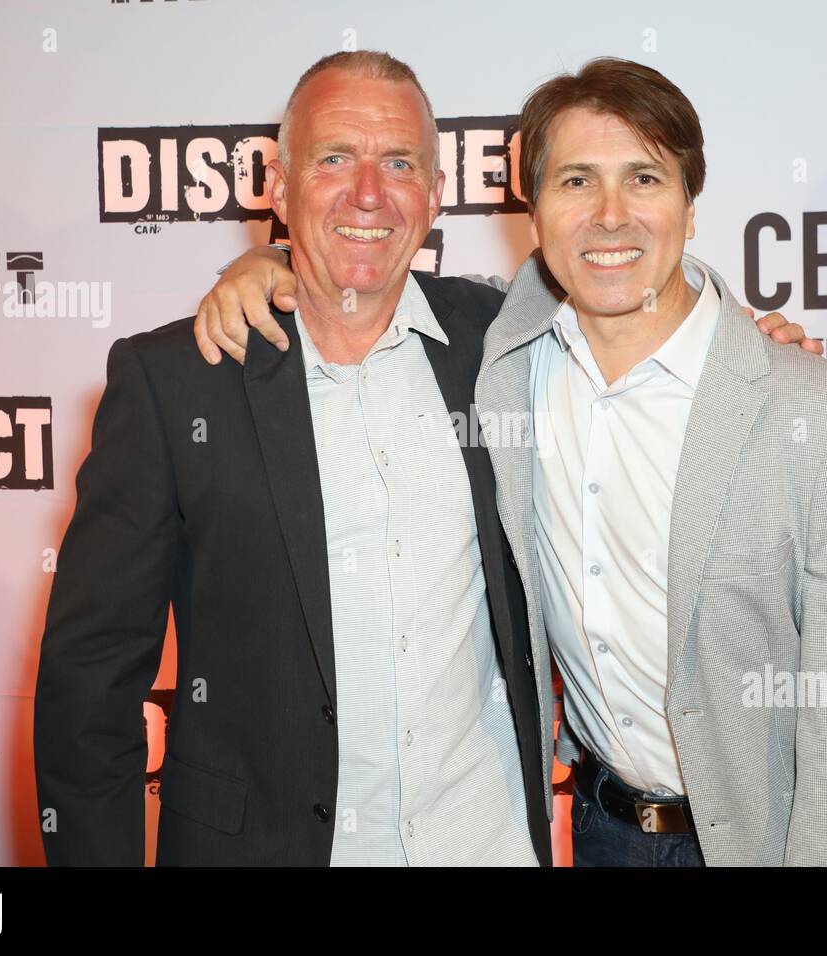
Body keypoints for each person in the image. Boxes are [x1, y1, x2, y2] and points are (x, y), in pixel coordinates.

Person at [195, 57, 827, 866]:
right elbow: (356, 266)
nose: (610, 216)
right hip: (595, 829)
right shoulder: (507, 357)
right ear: (532, 211)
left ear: (690, 206)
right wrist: (262, 264)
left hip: (759, 843)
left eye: (644, 178)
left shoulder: (824, 417)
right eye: (575, 182)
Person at [35, 51, 559, 866]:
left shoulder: (499, 343)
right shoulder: (176, 384)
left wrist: (757, 341)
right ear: (276, 187)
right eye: (334, 159)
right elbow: (89, 685)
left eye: (399, 163)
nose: (368, 194)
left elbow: (633, 277)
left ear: (435, 192)